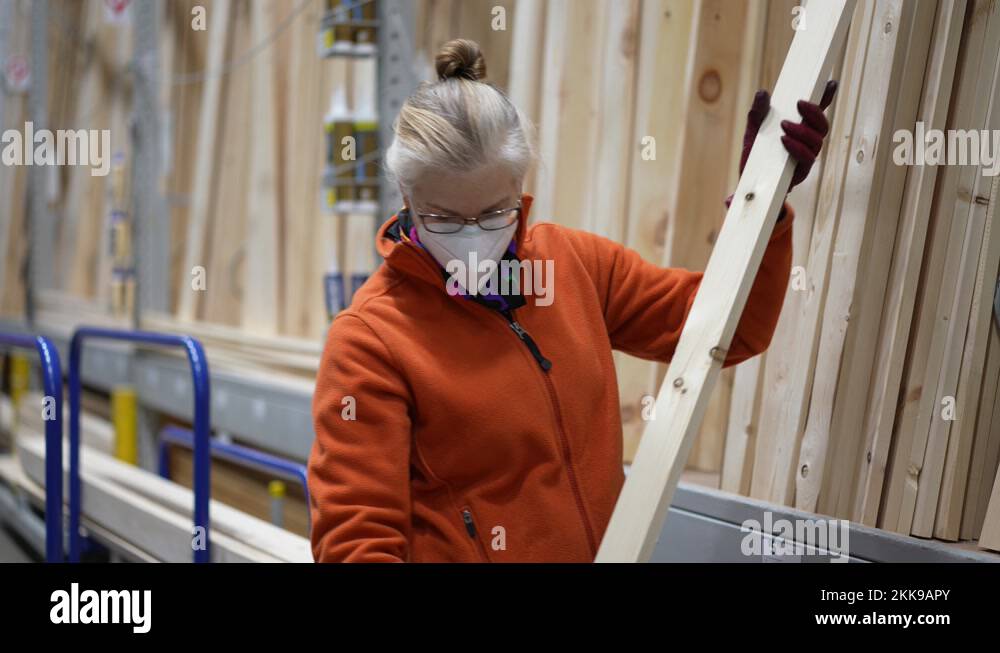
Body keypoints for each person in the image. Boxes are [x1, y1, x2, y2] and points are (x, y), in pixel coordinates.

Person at [307, 39, 837, 562]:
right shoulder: (370, 342)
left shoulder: (572, 266)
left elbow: (729, 331)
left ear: (520, 185)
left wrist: (761, 206)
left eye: (495, 213)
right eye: (443, 219)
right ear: (407, 196)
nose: (472, 238)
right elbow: (356, 545)